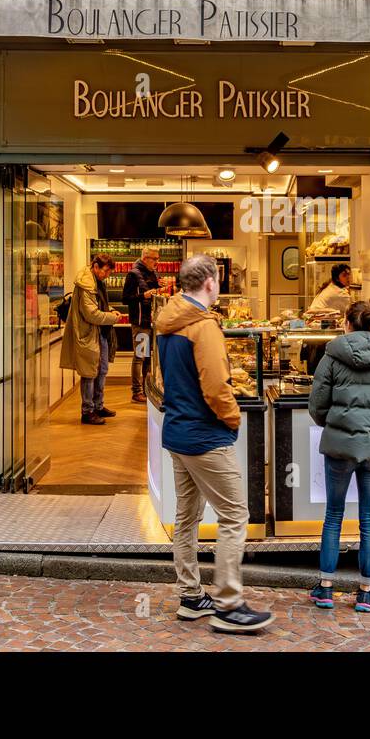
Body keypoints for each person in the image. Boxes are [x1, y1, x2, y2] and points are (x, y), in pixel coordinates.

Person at [155, 254, 272, 633]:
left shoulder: (168, 319)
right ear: (209, 282)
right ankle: (228, 604)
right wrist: (233, 418)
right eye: (218, 280)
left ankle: (191, 596)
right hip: (205, 436)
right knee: (235, 515)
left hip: (176, 431)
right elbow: (217, 387)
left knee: (186, 516)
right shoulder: (203, 327)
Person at [307, 300, 370, 614]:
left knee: (333, 515)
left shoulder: (331, 356)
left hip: (339, 447)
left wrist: (335, 425)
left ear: (347, 323)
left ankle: (325, 588)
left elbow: (317, 404)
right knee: (369, 520)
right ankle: (364, 592)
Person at [60, 252, 121, 425]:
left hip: (99, 333)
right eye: (106, 271)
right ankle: (87, 411)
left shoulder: (97, 282)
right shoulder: (86, 285)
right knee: (89, 373)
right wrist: (112, 317)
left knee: (101, 370)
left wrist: (109, 311)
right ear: (95, 267)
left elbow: (99, 306)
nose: (108, 275)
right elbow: (91, 314)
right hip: (89, 334)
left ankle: (98, 406)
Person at [122, 246, 161, 404]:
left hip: (150, 322)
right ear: (145, 259)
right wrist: (142, 295)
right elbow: (125, 299)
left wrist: (159, 288)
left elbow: (152, 293)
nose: (158, 262)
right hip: (140, 322)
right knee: (139, 357)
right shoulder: (133, 274)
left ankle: (146, 389)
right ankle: (136, 392)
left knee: (147, 357)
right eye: (155, 259)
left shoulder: (152, 273)